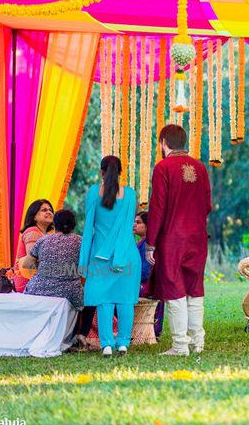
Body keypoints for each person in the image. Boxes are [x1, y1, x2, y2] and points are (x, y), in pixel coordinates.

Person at [145, 125, 212, 356]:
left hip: (173, 239)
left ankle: (180, 346)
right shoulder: (201, 167)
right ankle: (198, 342)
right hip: (198, 238)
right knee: (195, 289)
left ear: (164, 142)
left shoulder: (163, 167)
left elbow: (158, 208)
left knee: (174, 290)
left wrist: (151, 243)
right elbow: (207, 206)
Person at [79, 156, 141, 357]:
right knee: (125, 300)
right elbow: (127, 228)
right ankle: (123, 343)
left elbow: (88, 230)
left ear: (101, 172)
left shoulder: (94, 193)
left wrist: (83, 262)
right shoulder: (130, 195)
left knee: (104, 300)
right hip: (127, 255)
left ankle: (106, 344)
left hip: (100, 257)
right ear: (121, 172)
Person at [21, 209, 83, 310]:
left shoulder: (43, 240)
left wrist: (46, 266)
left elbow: (27, 264)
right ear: (73, 225)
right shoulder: (81, 241)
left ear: (54, 224)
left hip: (37, 289)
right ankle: (82, 326)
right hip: (69, 293)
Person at [11, 199, 54, 292]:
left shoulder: (48, 235)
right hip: (26, 281)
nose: (49, 212)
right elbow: (32, 262)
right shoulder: (32, 231)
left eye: (50, 210)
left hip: (40, 280)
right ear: (34, 216)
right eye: (44, 210)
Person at [133, 211, 164, 339]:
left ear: (148, 226)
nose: (134, 225)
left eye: (138, 222)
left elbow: (145, 274)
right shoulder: (143, 243)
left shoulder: (147, 245)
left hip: (146, 287)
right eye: (134, 222)